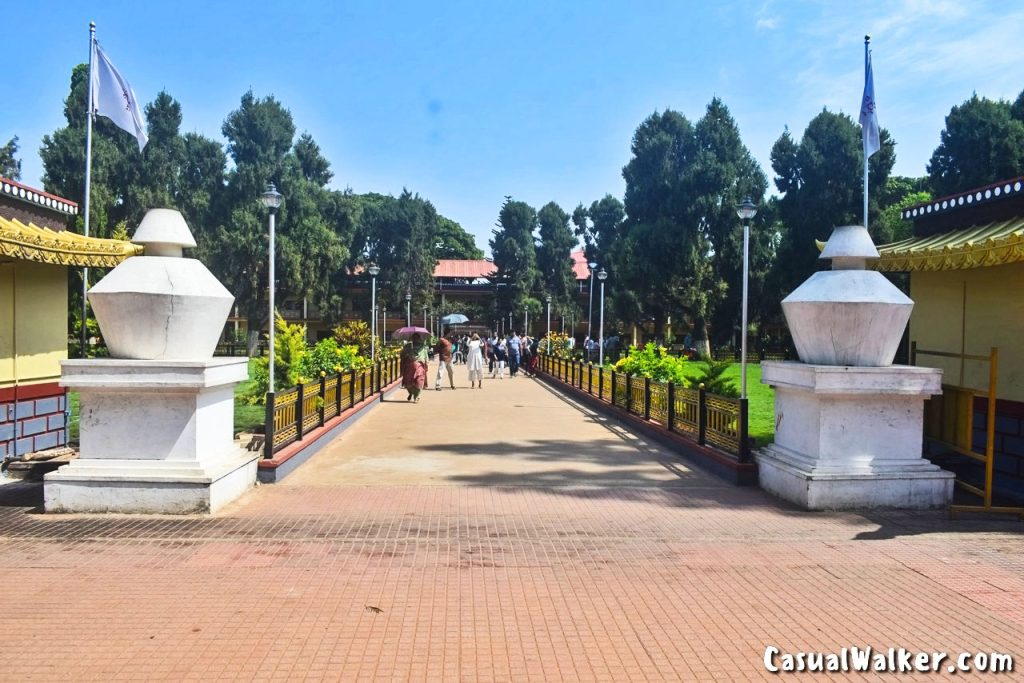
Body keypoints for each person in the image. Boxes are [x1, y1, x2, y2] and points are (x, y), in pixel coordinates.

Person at [400, 333, 429, 402]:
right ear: (412, 338)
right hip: (409, 367)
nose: (416, 339)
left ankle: (416, 396)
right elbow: (402, 355)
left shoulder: (423, 347)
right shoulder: (407, 346)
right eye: (414, 338)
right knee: (408, 382)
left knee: (419, 381)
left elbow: (426, 357)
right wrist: (408, 355)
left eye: (417, 338)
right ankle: (411, 393)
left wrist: (426, 365)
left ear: (419, 339)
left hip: (419, 367)